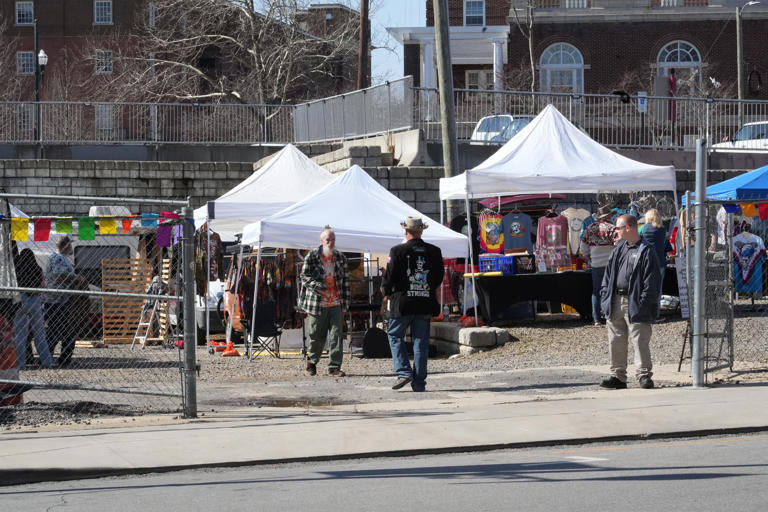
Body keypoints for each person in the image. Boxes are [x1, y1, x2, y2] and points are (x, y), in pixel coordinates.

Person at [381, 217, 444, 392]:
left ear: (405, 232)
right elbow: (439, 277)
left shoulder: (397, 251)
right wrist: (425, 289)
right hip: (424, 301)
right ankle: (419, 383)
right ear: (421, 231)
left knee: (394, 335)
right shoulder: (434, 251)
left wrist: (385, 292)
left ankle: (403, 371)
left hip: (402, 303)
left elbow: (389, 277)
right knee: (420, 342)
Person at [599, 214, 661, 390]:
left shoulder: (646, 251)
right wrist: (605, 298)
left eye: (618, 228)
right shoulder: (618, 250)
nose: (615, 231)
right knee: (615, 339)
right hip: (615, 300)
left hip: (635, 302)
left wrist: (643, 303)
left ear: (628, 228)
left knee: (639, 339)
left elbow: (652, 282)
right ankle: (618, 376)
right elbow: (607, 277)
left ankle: (643, 375)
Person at [297, 226, 350, 377]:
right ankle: (311, 363)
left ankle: (334, 368)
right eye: (328, 239)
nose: (331, 242)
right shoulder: (312, 256)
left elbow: (346, 282)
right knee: (316, 337)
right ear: (321, 241)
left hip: (336, 304)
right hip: (316, 304)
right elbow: (304, 276)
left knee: (336, 337)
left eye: (333, 239)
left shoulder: (340, 258)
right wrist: (316, 287)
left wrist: (345, 304)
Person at [14, 249, 53, 369]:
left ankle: (21, 365)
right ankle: (47, 362)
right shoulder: (38, 269)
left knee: (20, 336)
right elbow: (43, 286)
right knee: (39, 334)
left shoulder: (16, 270)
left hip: (21, 300)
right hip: (35, 301)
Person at [579, 205, 615, 326]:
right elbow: (620, 244)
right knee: (610, 290)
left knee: (596, 291)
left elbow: (583, 247)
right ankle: (609, 315)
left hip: (595, 264)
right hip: (610, 264)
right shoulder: (611, 228)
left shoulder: (589, 228)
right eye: (611, 214)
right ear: (608, 216)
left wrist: (589, 258)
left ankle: (596, 319)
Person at [45, 235, 78, 367]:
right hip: (57, 301)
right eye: (70, 244)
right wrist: (76, 278)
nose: (71, 247)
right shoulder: (58, 258)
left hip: (60, 300)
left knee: (60, 329)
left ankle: (59, 358)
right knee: (57, 329)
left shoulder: (61, 258)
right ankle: (55, 358)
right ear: (65, 245)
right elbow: (60, 275)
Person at [640, 208, 668, 321]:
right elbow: (665, 242)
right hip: (660, 261)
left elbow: (638, 241)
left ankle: (644, 312)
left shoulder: (642, 228)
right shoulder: (663, 230)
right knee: (658, 289)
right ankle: (655, 314)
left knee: (645, 287)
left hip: (646, 260)